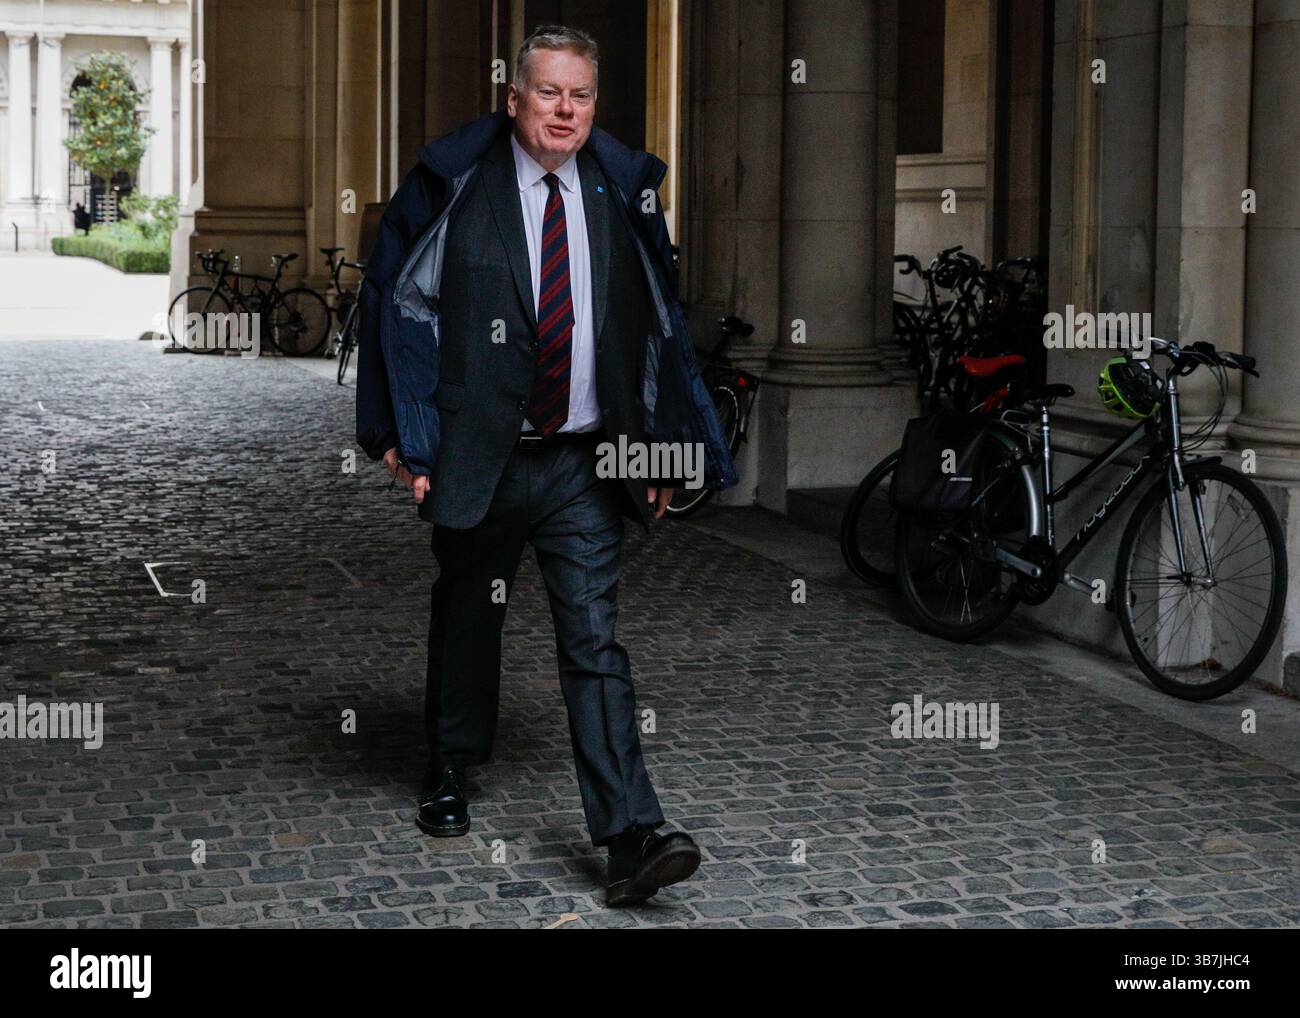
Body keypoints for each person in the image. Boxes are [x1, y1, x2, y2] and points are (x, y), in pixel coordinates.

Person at [355, 24, 736, 907]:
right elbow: (394, 304)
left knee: (595, 640)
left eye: (582, 96)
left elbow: (657, 327)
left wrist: (659, 445)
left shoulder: (620, 190)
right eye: (550, 93)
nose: (566, 111)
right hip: (482, 453)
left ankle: (631, 834)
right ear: (515, 97)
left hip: (584, 463)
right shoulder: (458, 185)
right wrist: (399, 435)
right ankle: (449, 766)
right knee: (469, 620)